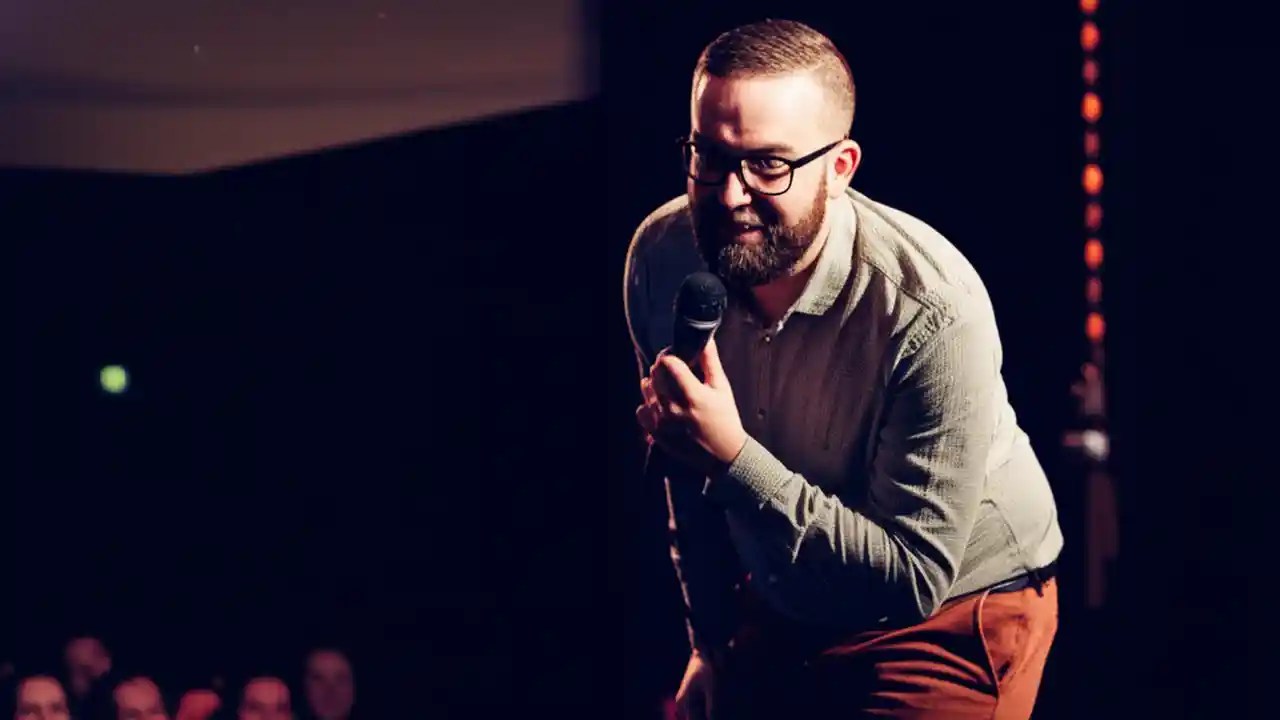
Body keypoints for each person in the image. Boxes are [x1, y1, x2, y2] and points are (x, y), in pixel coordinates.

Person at [623, 18, 1063, 719]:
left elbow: (911, 576)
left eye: (769, 164)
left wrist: (732, 457)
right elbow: (687, 474)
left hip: (949, 610)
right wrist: (708, 644)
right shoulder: (663, 255)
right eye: (709, 156)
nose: (730, 194)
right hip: (784, 588)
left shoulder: (932, 308)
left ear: (840, 167)